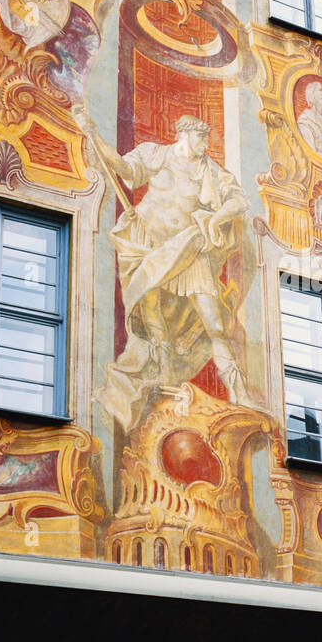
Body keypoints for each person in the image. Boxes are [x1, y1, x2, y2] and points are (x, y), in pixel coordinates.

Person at [86, 113, 251, 431]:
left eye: (207, 138)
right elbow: (123, 168)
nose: (206, 144)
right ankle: (160, 387)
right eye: (201, 138)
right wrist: (95, 134)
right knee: (155, 324)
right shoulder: (156, 154)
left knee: (215, 322)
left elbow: (239, 200)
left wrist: (215, 220)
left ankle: (240, 393)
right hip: (150, 247)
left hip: (188, 250)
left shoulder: (209, 170)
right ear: (184, 134)